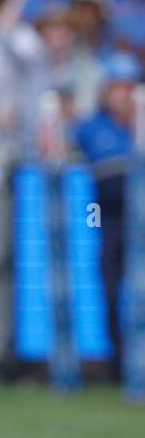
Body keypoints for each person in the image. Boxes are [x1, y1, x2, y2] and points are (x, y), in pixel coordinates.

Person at [73, 53, 141, 380]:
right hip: (109, 219)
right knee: (112, 290)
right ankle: (118, 364)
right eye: (117, 86)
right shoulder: (92, 127)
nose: (123, 94)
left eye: (128, 86)